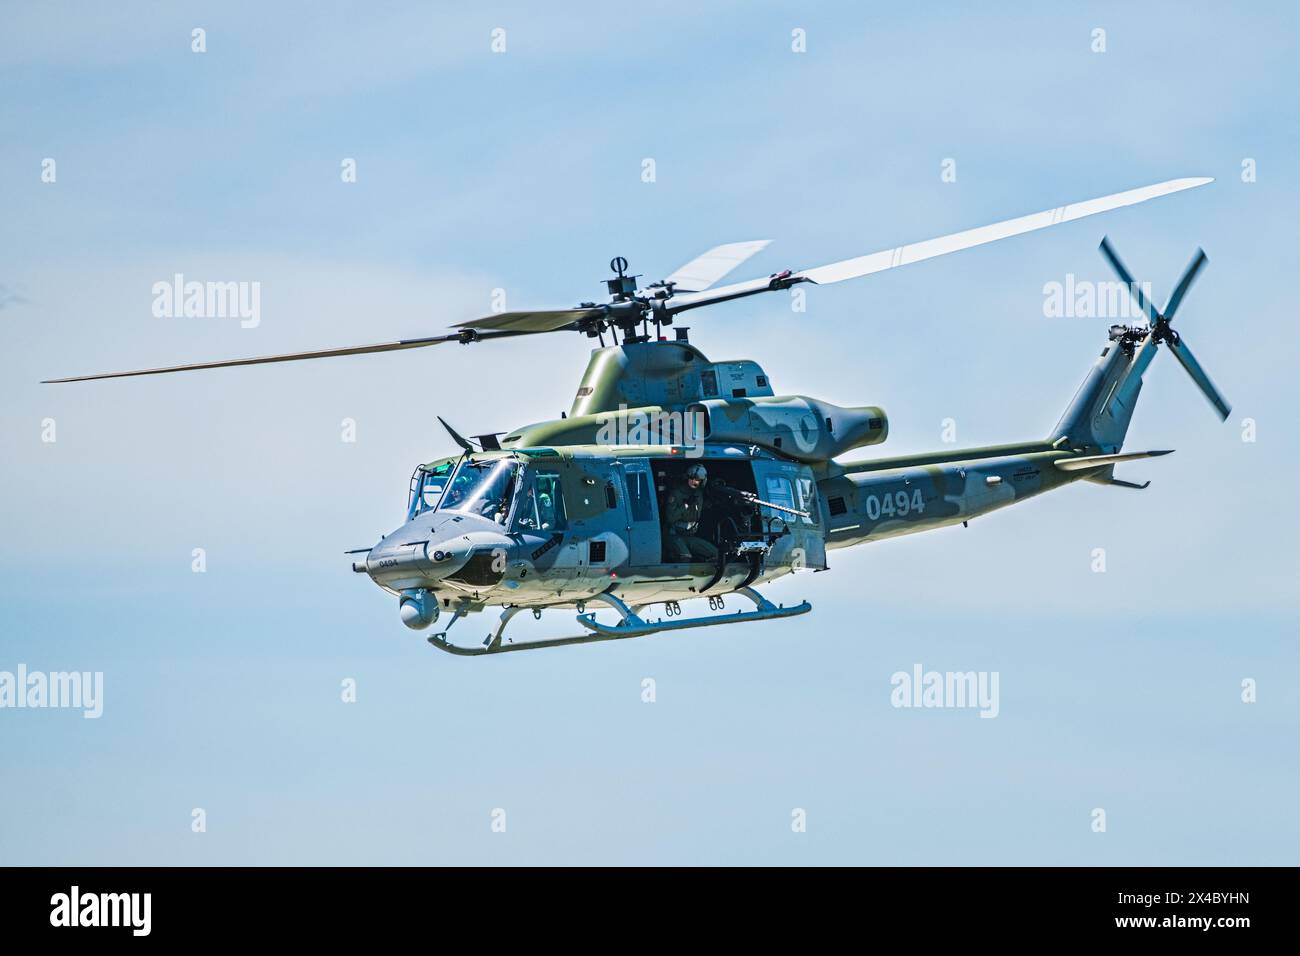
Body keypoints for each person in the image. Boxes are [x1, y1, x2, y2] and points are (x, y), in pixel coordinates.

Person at [663, 463, 719, 562]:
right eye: (691, 478)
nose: (694, 482)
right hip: (674, 535)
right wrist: (686, 506)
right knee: (685, 556)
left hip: (689, 536)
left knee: (715, 554)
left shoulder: (699, 493)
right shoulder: (676, 494)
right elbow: (670, 518)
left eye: (697, 480)